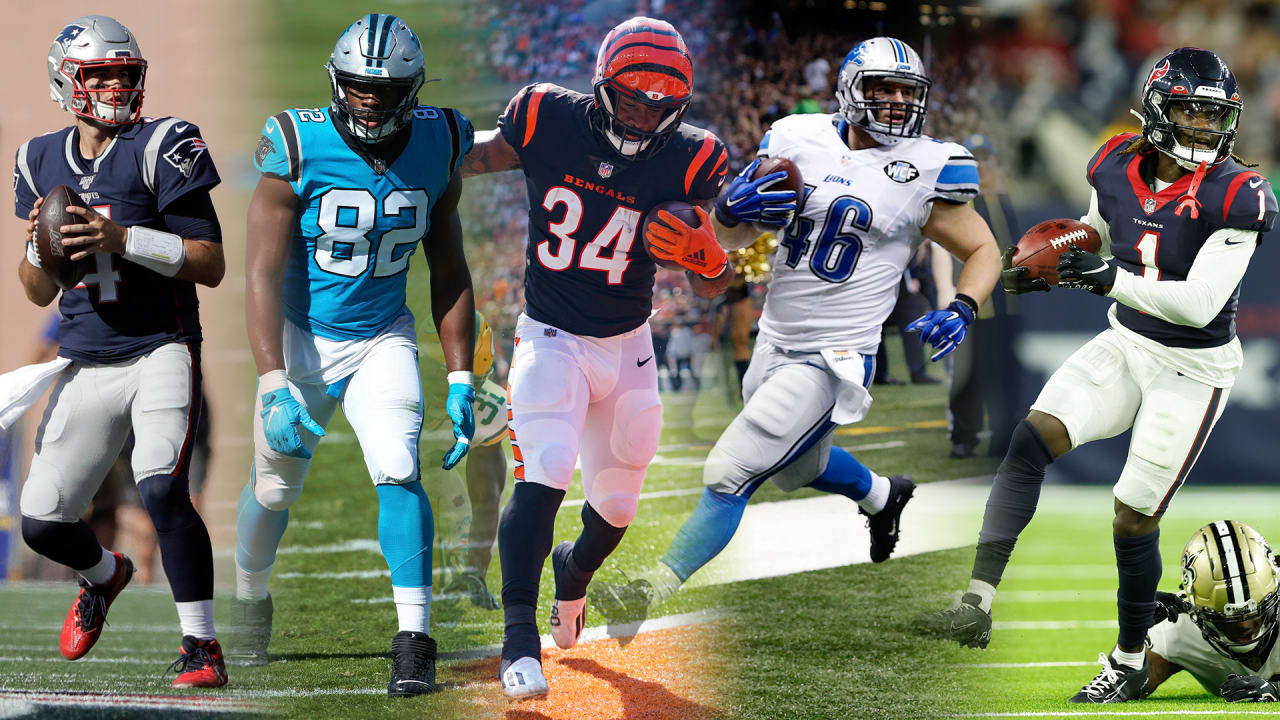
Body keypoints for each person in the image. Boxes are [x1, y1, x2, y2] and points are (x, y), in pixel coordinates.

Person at [593, 36, 1000, 623]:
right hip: (775, 338)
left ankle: (649, 590)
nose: (893, 103)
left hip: (835, 356)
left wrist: (963, 305)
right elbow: (730, 242)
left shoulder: (925, 168)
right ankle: (886, 496)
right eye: (881, 89)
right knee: (797, 468)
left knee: (730, 470)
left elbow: (983, 246)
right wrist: (729, 214)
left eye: (905, 92)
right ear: (848, 90)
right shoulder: (794, 139)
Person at [924, 48, 1276, 704]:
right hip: (1128, 341)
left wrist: (1109, 277)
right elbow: (1092, 230)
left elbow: (1200, 304)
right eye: (1190, 110)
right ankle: (976, 601)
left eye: (1214, 114)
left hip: (1193, 367)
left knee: (1131, 515)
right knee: (1030, 441)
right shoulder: (1113, 161)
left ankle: (1128, 659)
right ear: (1157, 111)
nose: (1203, 126)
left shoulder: (1240, 193)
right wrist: (1044, 262)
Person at [461, 16, 735, 698]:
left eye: (660, 103)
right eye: (632, 97)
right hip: (550, 336)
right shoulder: (544, 117)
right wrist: (422, 153)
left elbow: (714, 279)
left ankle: (573, 573)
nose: (644, 113)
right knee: (547, 469)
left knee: (615, 507)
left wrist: (707, 258)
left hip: (629, 344)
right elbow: (477, 156)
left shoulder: (694, 159)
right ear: (601, 85)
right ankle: (518, 641)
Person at [230, 14, 476, 698]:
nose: (370, 100)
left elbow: (448, 261)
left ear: (413, 90)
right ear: (338, 84)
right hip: (300, 334)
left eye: (386, 88)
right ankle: (250, 601)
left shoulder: (440, 139)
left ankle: (415, 640)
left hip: (381, 335)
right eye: (360, 87)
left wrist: (461, 375)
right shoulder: (296, 142)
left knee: (399, 469)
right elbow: (260, 272)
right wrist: (275, 381)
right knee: (274, 489)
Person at [13, 15, 227, 687]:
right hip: (85, 356)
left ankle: (202, 647)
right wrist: (40, 248)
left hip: (161, 347)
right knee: (42, 522)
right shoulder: (38, 158)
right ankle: (105, 578)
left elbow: (210, 262)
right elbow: (33, 292)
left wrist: (121, 240)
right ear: (65, 82)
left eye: (124, 75)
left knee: (163, 490)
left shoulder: (166, 142)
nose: (114, 88)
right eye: (99, 76)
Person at [1143, 520, 1279, 703]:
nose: (1245, 625)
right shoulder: (1180, 625)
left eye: (1256, 613)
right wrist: (1137, 631)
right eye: (1227, 619)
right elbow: (1122, 683)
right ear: (1196, 606)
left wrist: (1277, 689)